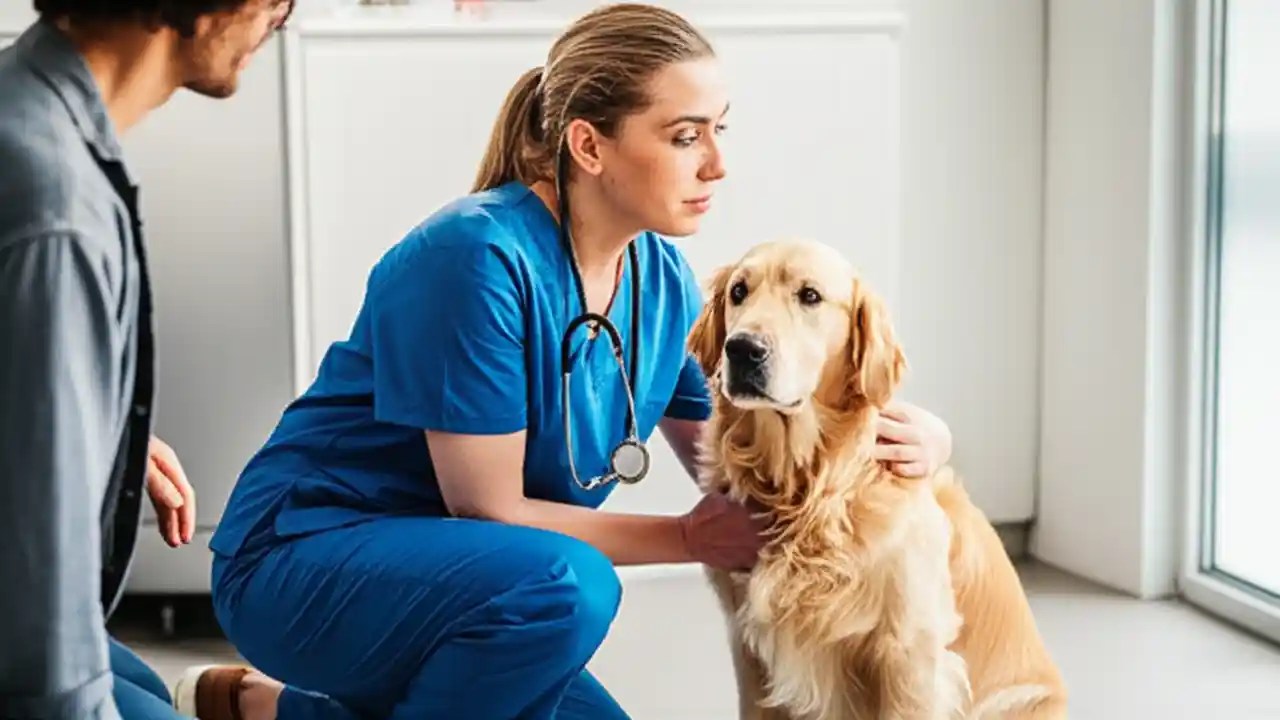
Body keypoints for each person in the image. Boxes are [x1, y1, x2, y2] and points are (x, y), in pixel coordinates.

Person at [192, 3, 956, 720]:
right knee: (570, 589)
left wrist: (921, 446)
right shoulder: (473, 257)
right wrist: (688, 539)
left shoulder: (659, 280)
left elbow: (733, 463)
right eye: (686, 136)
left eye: (721, 130)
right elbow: (487, 511)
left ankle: (268, 708)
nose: (718, 164)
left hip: (473, 587)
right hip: (303, 563)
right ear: (589, 145)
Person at [0, 1, 293, 719]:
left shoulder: (28, 109)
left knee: (151, 688)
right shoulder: (57, 206)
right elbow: (45, 646)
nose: (277, 21)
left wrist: (95, 430)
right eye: (275, 4)